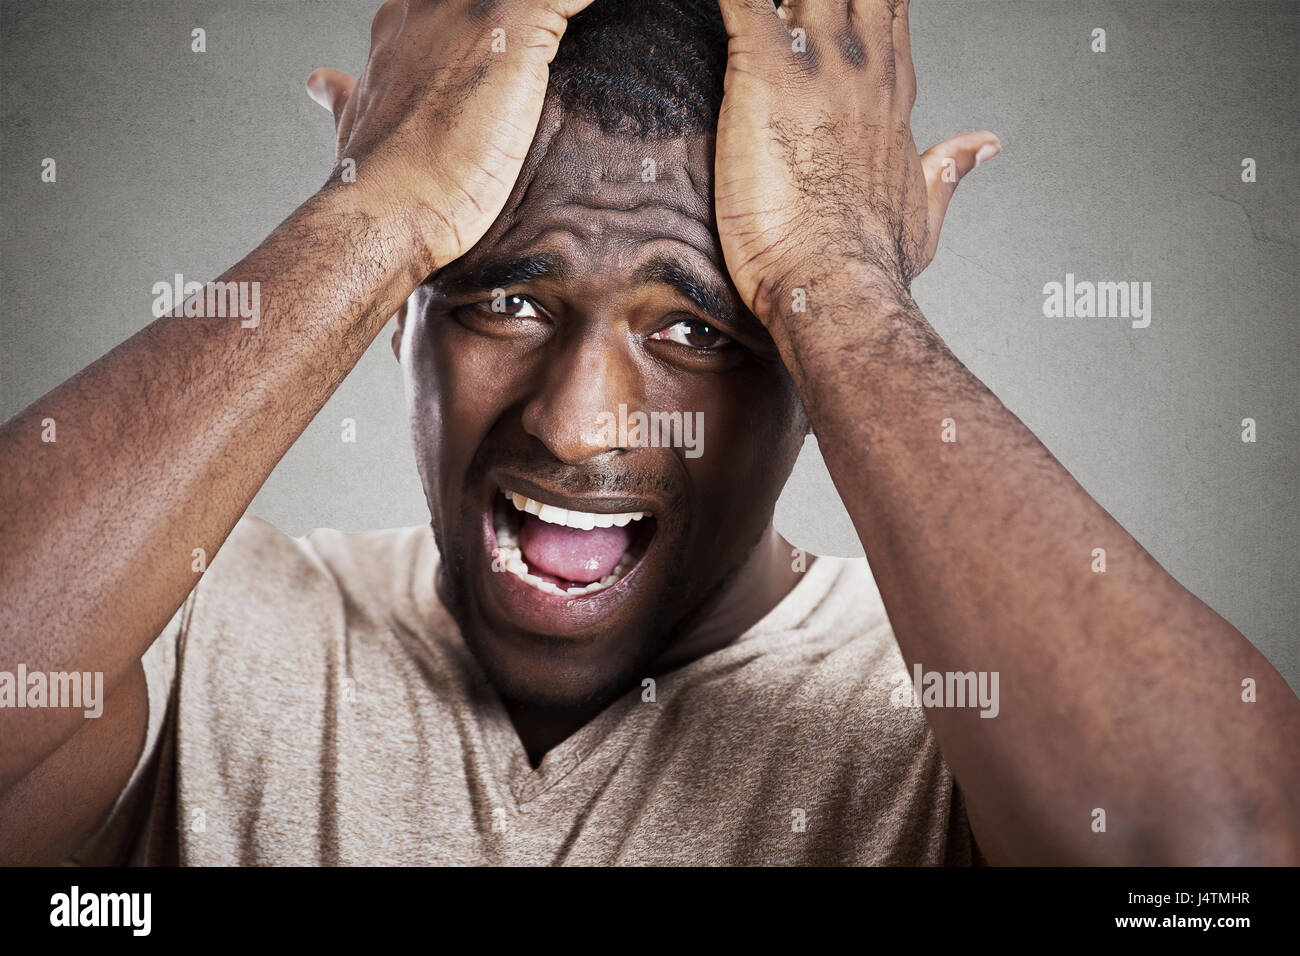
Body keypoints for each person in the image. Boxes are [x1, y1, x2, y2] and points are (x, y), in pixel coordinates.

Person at [1, 0, 1296, 866]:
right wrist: (372, 213)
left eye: (701, 330)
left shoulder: (951, 728)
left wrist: (837, 280)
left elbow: (1209, 860)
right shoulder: (198, 626)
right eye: (503, 298)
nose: (576, 426)